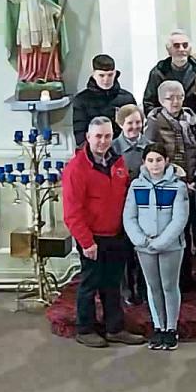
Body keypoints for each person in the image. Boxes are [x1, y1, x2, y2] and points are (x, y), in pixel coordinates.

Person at [62, 117, 145, 348]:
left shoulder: (117, 162)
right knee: (89, 284)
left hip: (116, 235)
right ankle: (85, 328)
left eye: (107, 136)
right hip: (92, 238)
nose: (103, 141)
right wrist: (87, 243)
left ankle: (114, 327)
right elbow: (72, 212)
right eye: (98, 136)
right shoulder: (76, 169)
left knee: (113, 284)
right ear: (88, 137)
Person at [123, 143, 189, 350]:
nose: (155, 165)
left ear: (167, 161)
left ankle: (171, 328)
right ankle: (158, 327)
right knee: (153, 287)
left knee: (169, 286)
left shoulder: (177, 186)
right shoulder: (136, 186)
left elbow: (180, 219)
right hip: (145, 246)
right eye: (150, 160)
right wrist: (140, 240)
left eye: (159, 160)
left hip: (170, 247)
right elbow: (129, 216)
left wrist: (161, 242)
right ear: (144, 162)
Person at [4, 0, 64, 90]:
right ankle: (28, 76)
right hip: (26, 19)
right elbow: (15, 0)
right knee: (28, 47)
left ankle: (48, 74)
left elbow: (51, 0)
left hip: (44, 18)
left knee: (46, 46)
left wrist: (57, 10)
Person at [112, 103, 152, 306]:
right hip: (122, 206)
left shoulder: (150, 145)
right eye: (130, 123)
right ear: (121, 124)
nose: (135, 127)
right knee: (125, 252)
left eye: (138, 122)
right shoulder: (113, 149)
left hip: (145, 207)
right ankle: (127, 290)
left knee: (144, 250)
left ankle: (145, 290)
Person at [144, 81, 196, 188]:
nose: (176, 102)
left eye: (180, 97)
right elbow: (151, 157)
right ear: (161, 101)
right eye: (170, 98)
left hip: (194, 181)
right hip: (166, 182)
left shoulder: (190, 119)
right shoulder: (154, 122)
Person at [72, 54, 137, 144]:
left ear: (115, 74)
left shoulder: (127, 99)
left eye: (110, 75)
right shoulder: (81, 100)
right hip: (94, 150)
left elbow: (135, 129)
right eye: (101, 75)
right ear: (93, 74)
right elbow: (80, 134)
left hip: (123, 150)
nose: (106, 80)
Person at [143, 29, 196, 113]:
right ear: (169, 50)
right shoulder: (158, 73)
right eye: (176, 46)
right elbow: (149, 103)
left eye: (185, 45)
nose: (181, 49)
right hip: (165, 122)